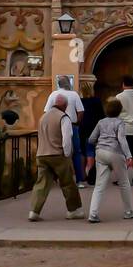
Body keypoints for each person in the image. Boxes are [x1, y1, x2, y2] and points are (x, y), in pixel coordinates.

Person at [28, 92, 85, 222]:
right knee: (68, 183)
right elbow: (66, 138)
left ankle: (34, 211)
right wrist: (67, 154)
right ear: (65, 105)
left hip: (42, 154)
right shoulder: (63, 117)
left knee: (41, 184)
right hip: (57, 154)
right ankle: (73, 210)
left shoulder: (43, 117)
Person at [86, 98, 133, 223]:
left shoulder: (101, 122)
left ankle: (93, 213)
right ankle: (128, 211)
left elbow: (91, 139)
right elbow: (122, 140)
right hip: (115, 153)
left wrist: (99, 143)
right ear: (119, 111)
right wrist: (129, 155)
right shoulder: (120, 123)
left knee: (99, 185)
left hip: (100, 152)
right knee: (124, 182)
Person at [53, 75, 85, 187]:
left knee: (59, 152)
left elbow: (47, 111)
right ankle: (79, 180)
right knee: (76, 152)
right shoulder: (74, 94)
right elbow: (81, 111)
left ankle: (61, 179)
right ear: (68, 83)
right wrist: (77, 123)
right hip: (72, 125)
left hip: (57, 127)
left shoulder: (53, 94)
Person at [79, 88, 102, 186]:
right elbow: (102, 115)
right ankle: (90, 173)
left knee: (82, 151)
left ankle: (82, 174)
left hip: (82, 127)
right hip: (94, 128)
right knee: (91, 151)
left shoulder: (80, 101)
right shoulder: (97, 101)